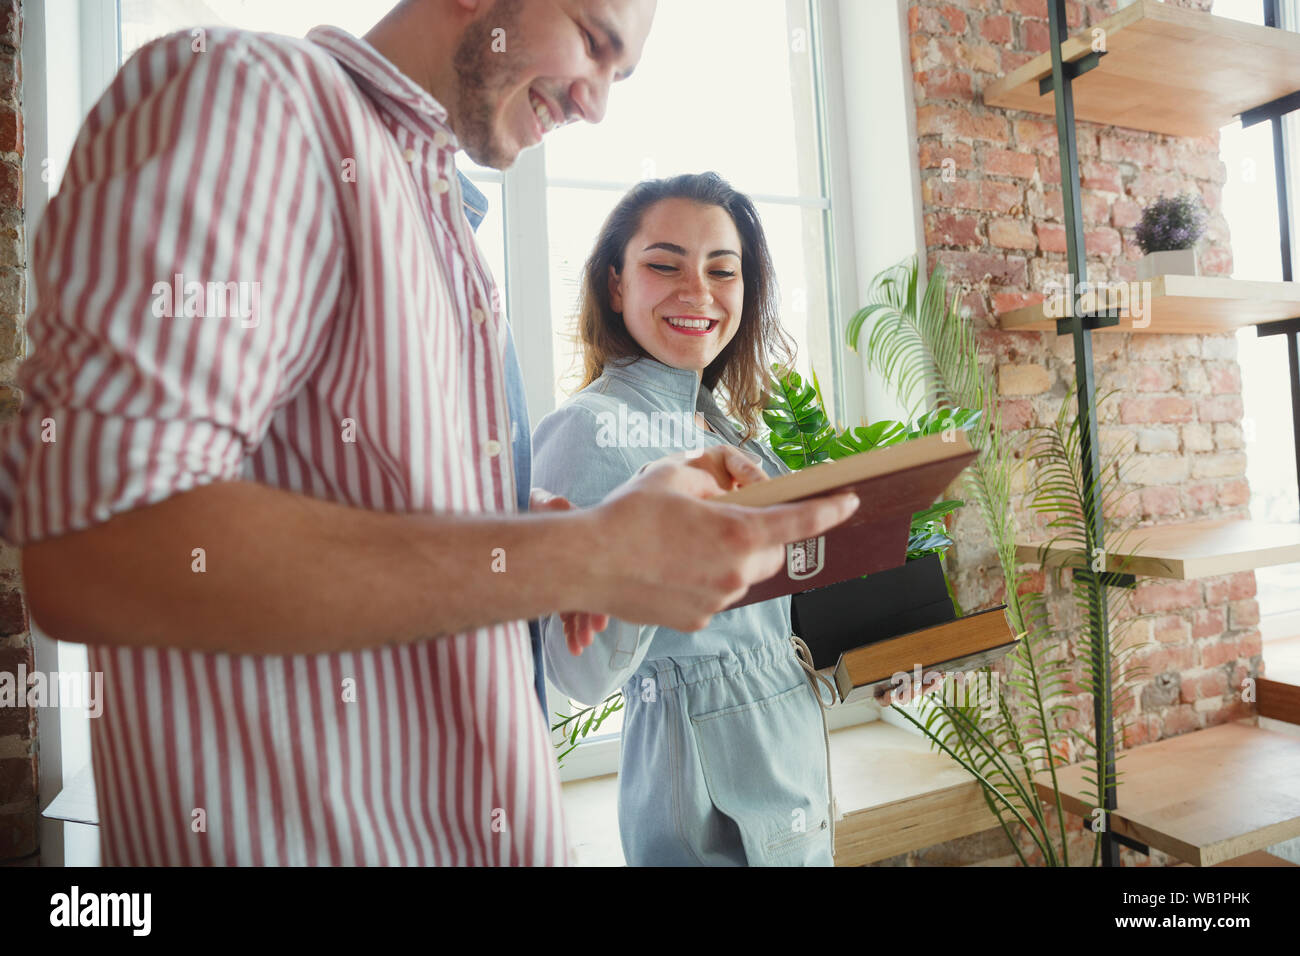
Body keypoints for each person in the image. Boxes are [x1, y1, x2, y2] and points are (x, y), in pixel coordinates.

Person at [0, 0, 861, 865]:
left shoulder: (442, 222)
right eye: (594, 44)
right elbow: (96, 542)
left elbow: (341, 494)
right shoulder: (249, 98)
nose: (597, 103)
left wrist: (531, 525)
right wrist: (581, 555)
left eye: (620, 74)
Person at [534, 172, 847, 866]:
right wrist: (655, 560)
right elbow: (576, 675)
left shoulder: (731, 430)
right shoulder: (589, 429)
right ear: (615, 285)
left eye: (722, 270)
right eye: (664, 264)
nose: (698, 292)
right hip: (706, 803)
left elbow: (769, 616)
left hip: (790, 764)